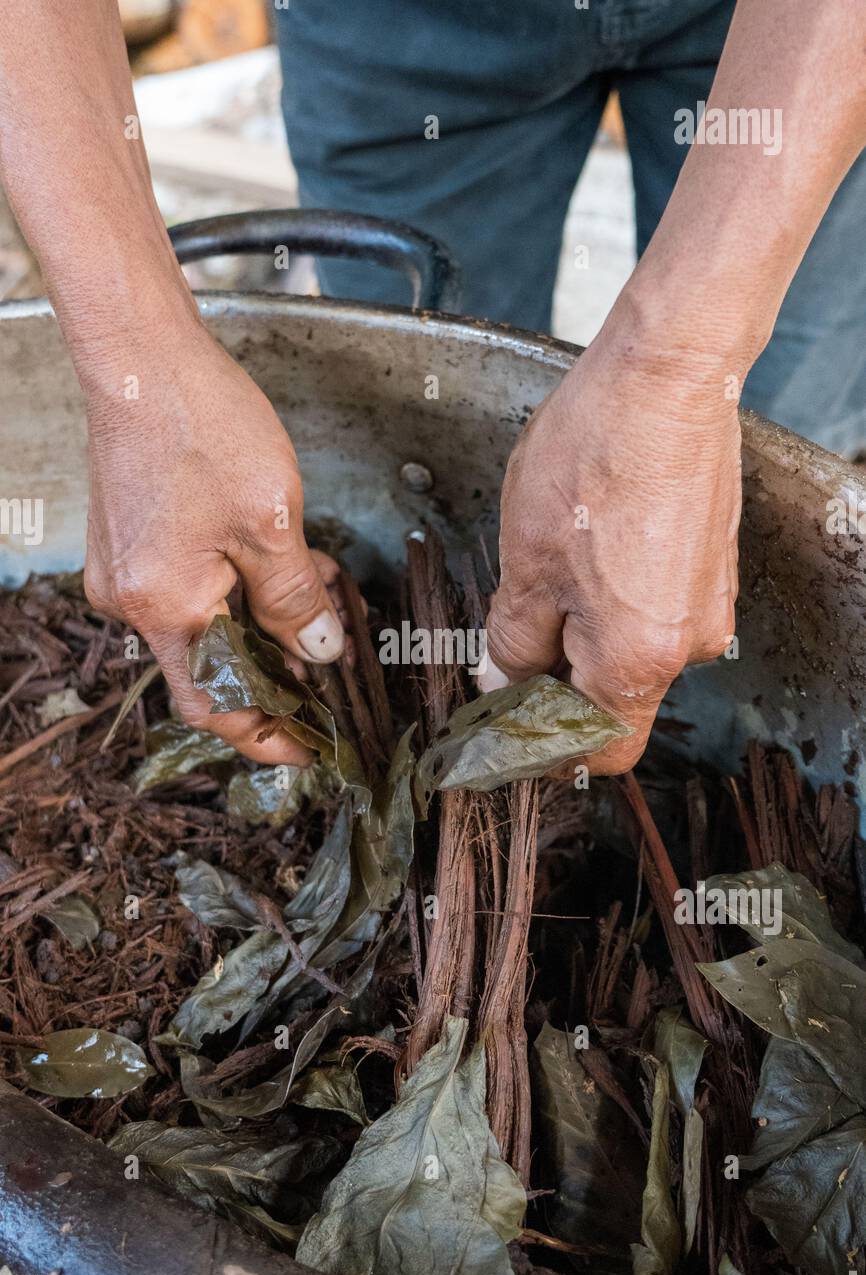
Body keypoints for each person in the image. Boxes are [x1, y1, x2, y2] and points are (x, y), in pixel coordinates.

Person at [1, 1, 864, 778]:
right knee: (421, 450)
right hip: (391, 27)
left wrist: (678, 374)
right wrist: (133, 364)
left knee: (745, 453)